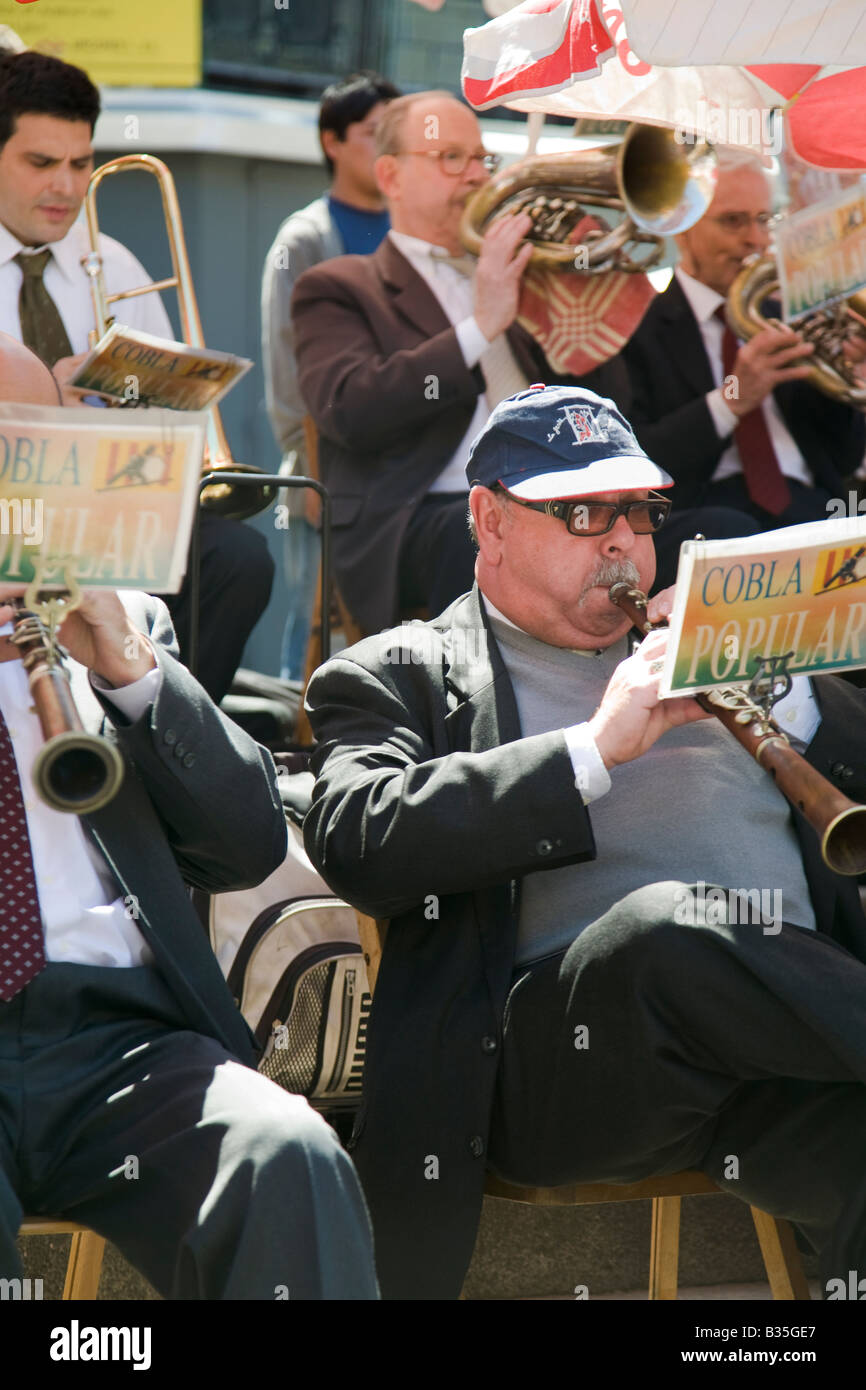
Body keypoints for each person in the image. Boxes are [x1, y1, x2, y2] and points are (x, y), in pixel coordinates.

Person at [303, 382, 866, 1301]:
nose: (621, 544)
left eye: (638, 515)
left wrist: (785, 689)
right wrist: (591, 751)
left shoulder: (708, 639)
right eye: (579, 512)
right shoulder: (397, 670)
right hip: (564, 1067)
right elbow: (360, 839)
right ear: (487, 520)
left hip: (779, 1061)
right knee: (668, 928)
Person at [0, 334, 379, 1301]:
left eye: (32, 447)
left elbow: (245, 845)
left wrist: (126, 667)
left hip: (119, 1038)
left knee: (290, 1155)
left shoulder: (119, 617)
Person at [0, 49, 274, 704]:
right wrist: (56, 399)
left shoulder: (113, 262)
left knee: (237, 558)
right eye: (41, 164)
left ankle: (167, 746)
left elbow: (172, 434)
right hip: (10, 519)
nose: (68, 187)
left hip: (112, 511)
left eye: (80, 162)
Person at [616, 147, 866, 533]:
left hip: (813, 507)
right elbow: (633, 460)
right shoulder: (635, 327)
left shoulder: (790, 317)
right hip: (703, 516)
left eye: (764, 221)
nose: (756, 240)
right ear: (683, 227)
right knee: (728, 524)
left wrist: (850, 374)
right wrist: (731, 400)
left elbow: (844, 457)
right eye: (733, 222)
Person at [262, 71, 400, 681]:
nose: (391, 147)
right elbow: (287, 363)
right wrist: (308, 461)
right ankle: (298, 756)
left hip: (401, 464)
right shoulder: (306, 238)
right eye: (375, 133)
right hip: (325, 465)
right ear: (332, 141)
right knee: (316, 621)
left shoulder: (415, 224)